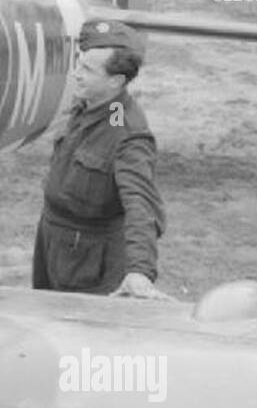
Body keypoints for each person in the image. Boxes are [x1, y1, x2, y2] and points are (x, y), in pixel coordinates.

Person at [32, 19, 169, 298]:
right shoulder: (88, 102)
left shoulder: (129, 135)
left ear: (115, 81)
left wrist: (139, 270)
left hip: (87, 262)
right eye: (79, 63)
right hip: (51, 243)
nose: (76, 74)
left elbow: (141, 205)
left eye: (87, 70)